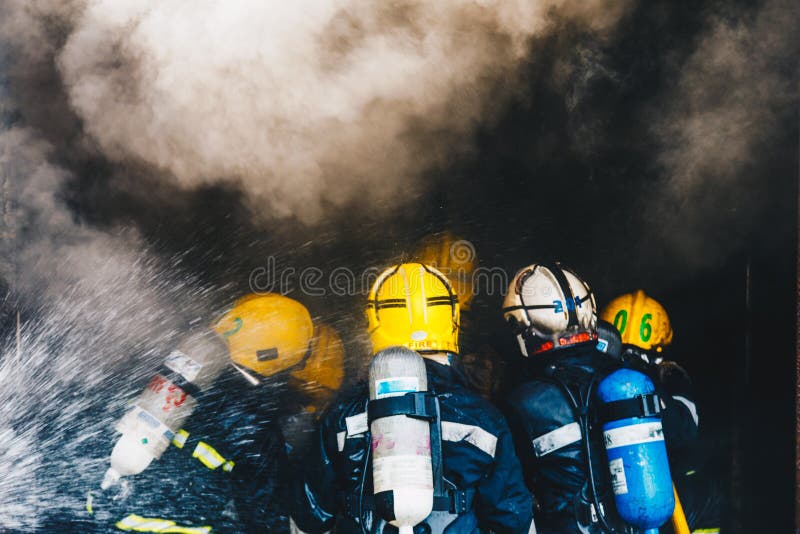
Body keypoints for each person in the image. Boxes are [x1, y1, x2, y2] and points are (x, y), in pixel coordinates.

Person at [292, 262, 535, 534]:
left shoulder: (342, 417)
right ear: (451, 320)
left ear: (375, 323)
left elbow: (311, 515)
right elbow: (512, 520)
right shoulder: (484, 418)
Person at [88, 293, 342, 533]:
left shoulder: (176, 378)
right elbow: (263, 514)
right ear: (281, 356)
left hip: (102, 518)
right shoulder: (254, 418)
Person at [501, 262, 677, 533]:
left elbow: (509, 499)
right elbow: (681, 438)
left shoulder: (522, 402)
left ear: (524, 325)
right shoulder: (628, 380)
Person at [600, 291, 722, 533]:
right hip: (656, 492)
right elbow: (685, 434)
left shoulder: (599, 377)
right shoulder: (662, 379)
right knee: (711, 497)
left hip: (612, 491)